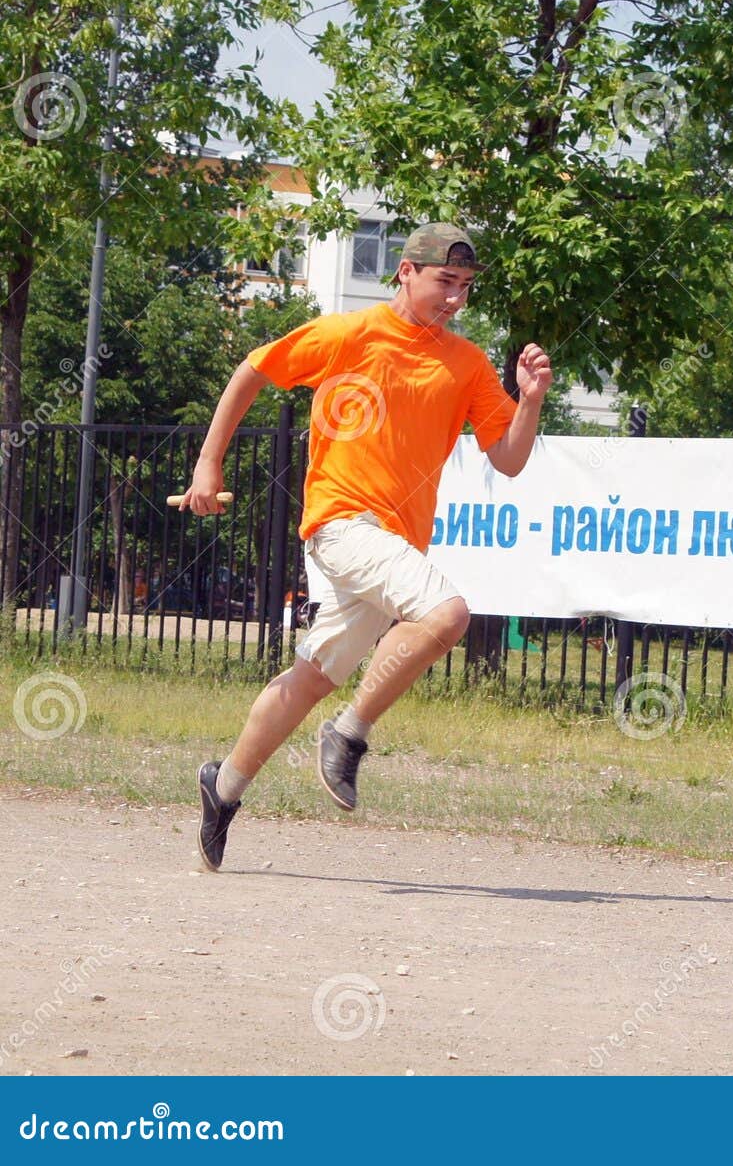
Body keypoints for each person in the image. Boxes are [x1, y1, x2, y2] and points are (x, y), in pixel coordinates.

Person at [179, 222, 553, 871]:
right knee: (448, 613)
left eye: (465, 287)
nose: (455, 298)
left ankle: (224, 788)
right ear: (405, 272)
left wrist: (532, 400)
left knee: (310, 678)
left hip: (393, 543)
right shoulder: (350, 334)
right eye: (445, 282)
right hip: (341, 522)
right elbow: (253, 370)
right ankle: (349, 733)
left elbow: (511, 459)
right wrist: (208, 466)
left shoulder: (465, 363)